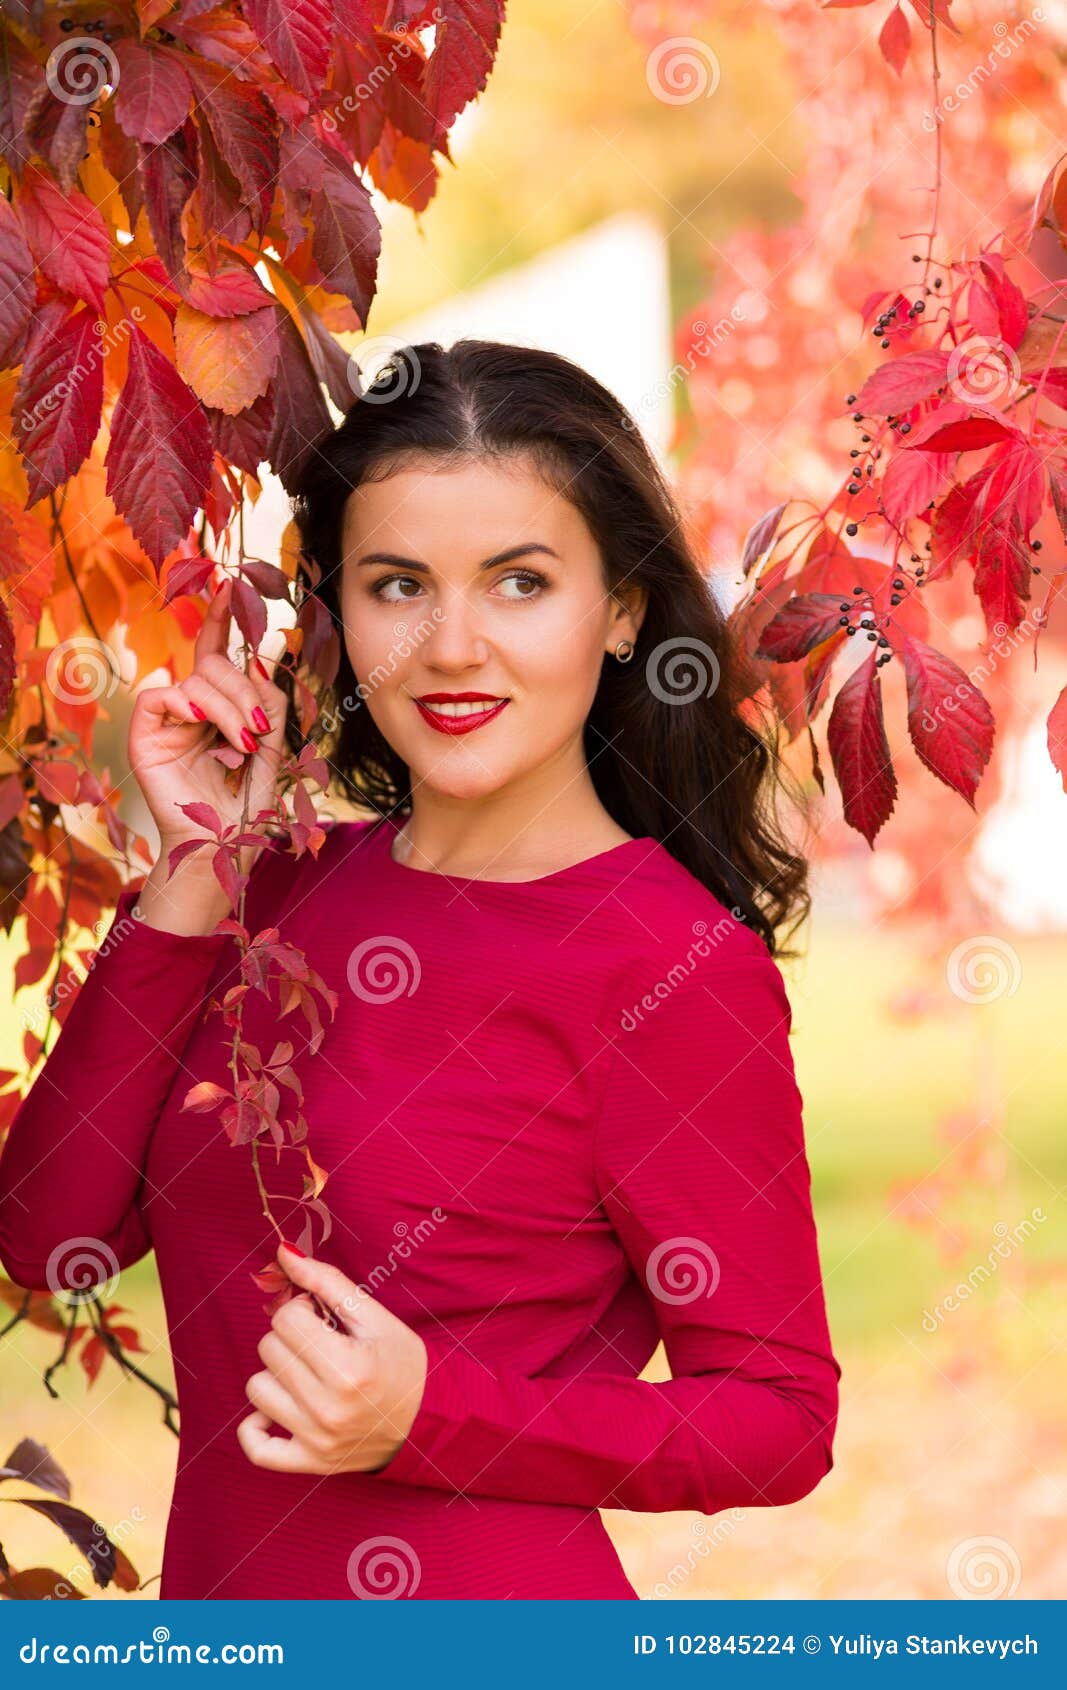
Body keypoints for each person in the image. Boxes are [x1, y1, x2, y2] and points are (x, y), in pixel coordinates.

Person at [0, 339, 840, 1601]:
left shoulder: (666, 963)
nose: (450, 646)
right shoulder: (264, 892)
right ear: (336, 615)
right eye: (397, 585)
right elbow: (47, 1235)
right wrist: (192, 872)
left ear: (620, 611)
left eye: (519, 583)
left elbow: (777, 1418)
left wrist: (430, 1414)